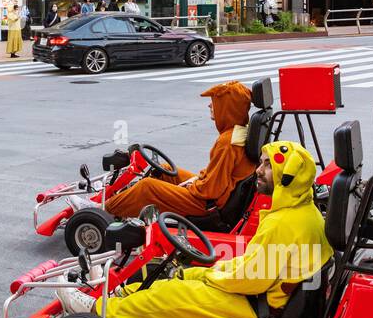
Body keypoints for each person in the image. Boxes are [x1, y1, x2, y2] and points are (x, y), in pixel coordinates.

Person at [56, 139, 332, 318]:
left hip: (260, 306)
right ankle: (121, 295)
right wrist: (211, 272)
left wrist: (212, 276)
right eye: (261, 163)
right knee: (183, 276)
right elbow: (255, 268)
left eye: (268, 166)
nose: (258, 171)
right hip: (266, 297)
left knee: (170, 294)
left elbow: (252, 280)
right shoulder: (305, 212)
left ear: (286, 178)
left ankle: (100, 311)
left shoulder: (283, 223)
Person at [63, 81, 256, 220]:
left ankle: (100, 210)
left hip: (209, 203)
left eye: (214, 102)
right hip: (219, 195)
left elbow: (211, 189)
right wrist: (196, 180)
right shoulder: (240, 132)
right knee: (164, 170)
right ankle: (123, 206)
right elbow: (218, 178)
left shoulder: (227, 142)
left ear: (227, 108)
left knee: (147, 186)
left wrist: (191, 186)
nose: (209, 106)